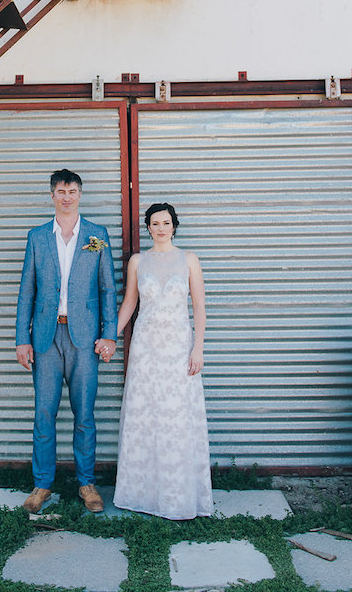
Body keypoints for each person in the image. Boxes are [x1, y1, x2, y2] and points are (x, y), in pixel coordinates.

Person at [15, 168, 118, 514]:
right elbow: (26, 291)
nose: (67, 196)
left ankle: (86, 483)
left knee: (84, 414)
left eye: (72, 190)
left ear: (80, 194)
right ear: (52, 195)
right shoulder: (37, 237)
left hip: (84, 339)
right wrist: (21, 339)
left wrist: (109, 334)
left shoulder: (97, 235)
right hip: (45, 338)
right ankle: (42, 484)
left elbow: (107, 288)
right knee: (44, 413)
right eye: (61, 190)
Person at [112, 202, 213, 519]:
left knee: (176, 419)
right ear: (148, 227)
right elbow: (130, 303)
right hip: (146, 350)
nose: (160, 228)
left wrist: (198, 348)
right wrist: (109, 335)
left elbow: (199, 308)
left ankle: (177, 496)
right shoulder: (138, 262)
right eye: (154, 223)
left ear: (174, 225)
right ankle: (142, 493)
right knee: (146, 417)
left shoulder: (189, 260)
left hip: (178, 348)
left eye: (165, 222)